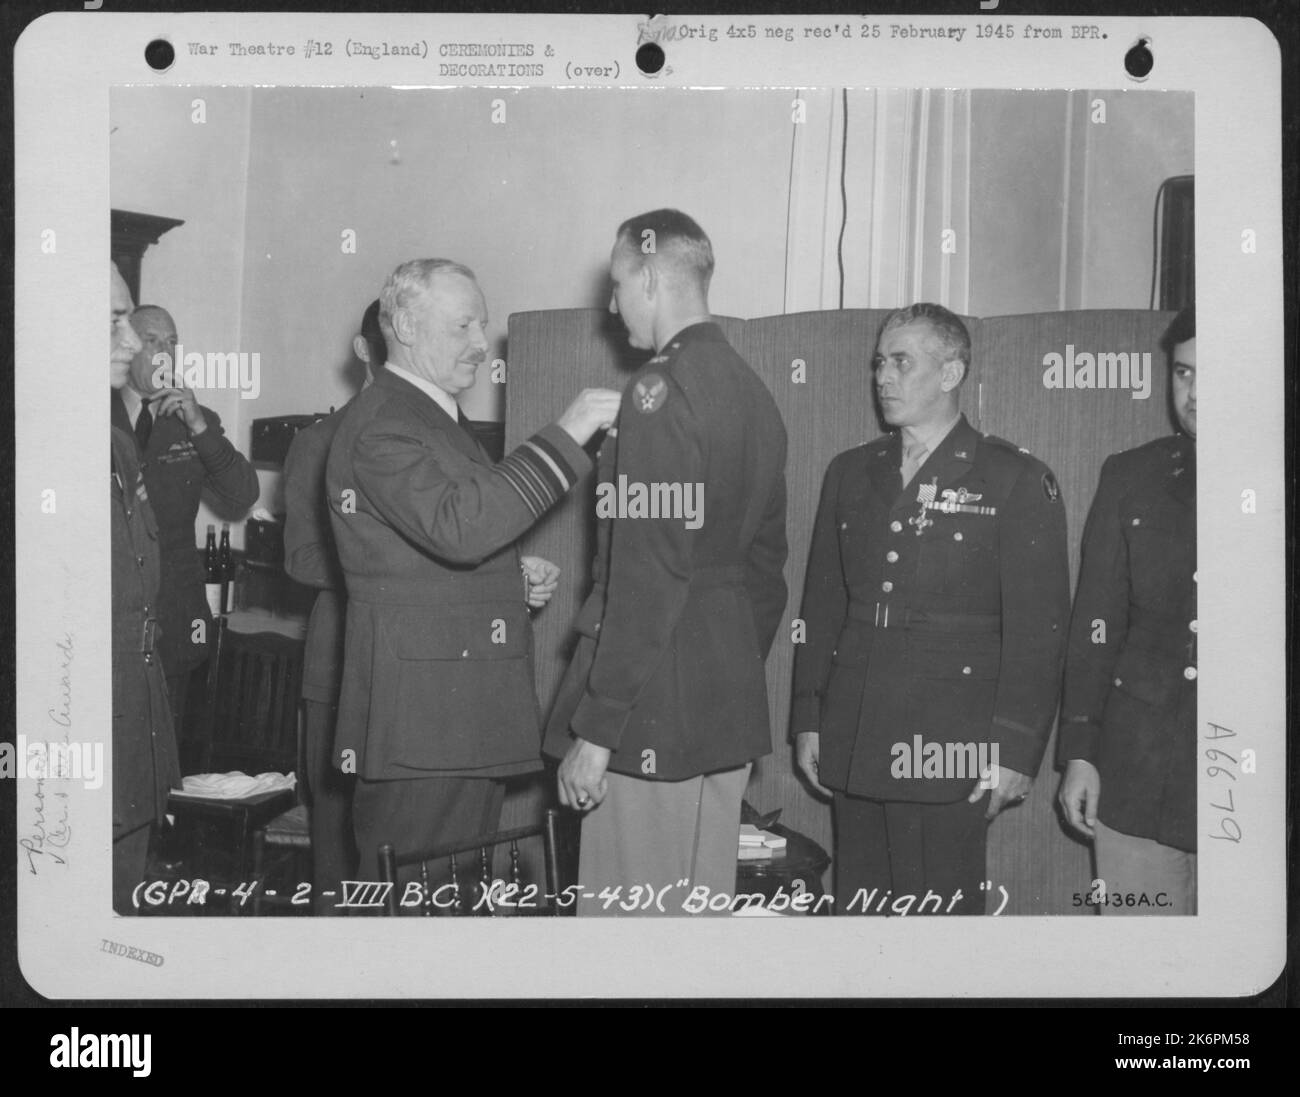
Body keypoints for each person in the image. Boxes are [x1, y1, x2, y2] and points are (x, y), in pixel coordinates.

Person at [326, 259, 620, 882]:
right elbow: (462, 528)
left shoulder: (430, 417)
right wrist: (568, 433)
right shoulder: (384, 422)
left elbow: (424, 549)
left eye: (482, 326)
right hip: (423, 729)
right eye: (463, 326)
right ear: (404, 325)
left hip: (451, 721)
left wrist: (505, 576)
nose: (482, 345)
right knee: (413, 917)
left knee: (447, 906)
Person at [543, 210, 789, 916]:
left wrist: (598, 729)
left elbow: (646, 579)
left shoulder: (654, 395)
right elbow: (767, 568)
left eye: (619, 284)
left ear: (649, 277)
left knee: (626, 939)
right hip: (723, 708)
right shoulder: (754, 392)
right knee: (694, 936)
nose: (612, 303)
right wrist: (725, 666)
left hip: (645, 713)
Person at [792, 303, 1070, 915]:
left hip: (951, 744)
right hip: (857, 729)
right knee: (859, 913)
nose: (883, 378)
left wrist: (1015, 752)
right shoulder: (850, 471)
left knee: (939, 925)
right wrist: (809, 717)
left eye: (901, 362)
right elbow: (822, 605)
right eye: (879, 363)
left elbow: (1039, 633)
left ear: (951, 374)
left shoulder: (1014, 479)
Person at [1057, 307, 1197, 915]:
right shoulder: (1131, 476)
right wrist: (1082, 752)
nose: (1195, 393)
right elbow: (1096, 627)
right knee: (1141, 956)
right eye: (1185, 373)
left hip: (1254, 779)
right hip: (1138, 771)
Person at [110, 305, 259, 750]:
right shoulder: (90, 411)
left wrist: (198, 425)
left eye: (171, 342)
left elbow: (241, 495)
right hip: (110, 609)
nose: (162, 353)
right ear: (126, 345)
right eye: (151, 340)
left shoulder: (194, 420)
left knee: (165, 750)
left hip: (173, 617)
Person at [281, 300, 385, 914]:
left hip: (420, 674)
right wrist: (389, 573)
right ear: (366, 350)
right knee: (336, 852)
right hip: (341, 664)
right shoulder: (318, 442)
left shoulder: (448, 439)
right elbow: (299, 558)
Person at [110, 262, 182, 913]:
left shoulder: (126, 442)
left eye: (161, 340)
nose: (137, 345)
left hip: (151, 659)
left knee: (132, 854)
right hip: (91, 687)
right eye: (118, 324)